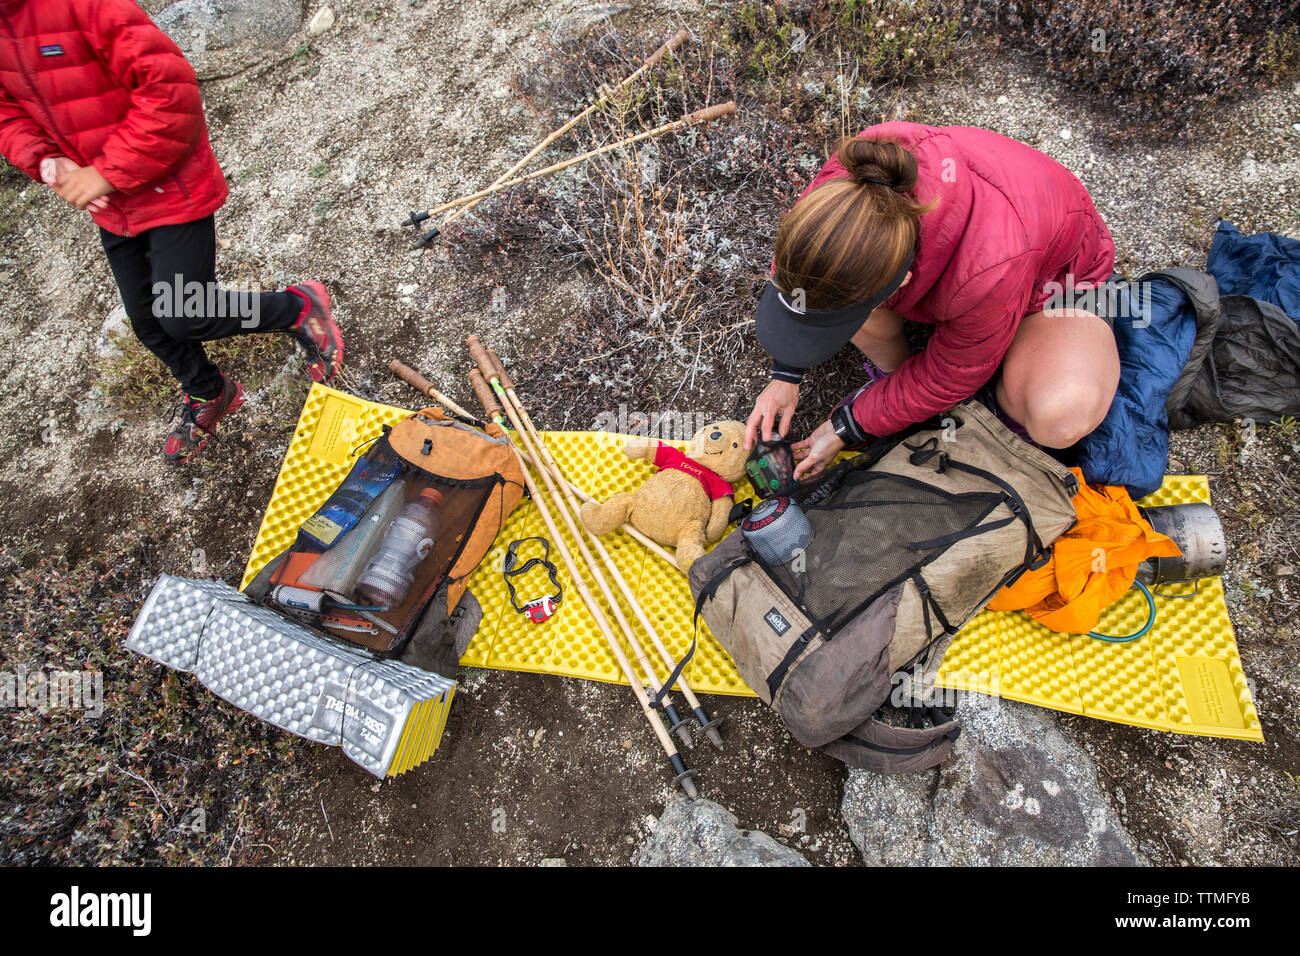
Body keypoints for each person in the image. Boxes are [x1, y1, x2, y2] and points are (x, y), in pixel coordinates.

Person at [0, 0, 343, 464]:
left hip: (169, 182)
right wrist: (44, 159)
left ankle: (299, 306)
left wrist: (105, 173)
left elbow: (171, 90)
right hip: (115, 206)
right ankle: (211, 392)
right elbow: (7, 112)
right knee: (147, 320)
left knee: (184, 312)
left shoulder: (81, 6)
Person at [744, 123, 1120, 480]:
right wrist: (786, 375)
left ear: (901, 283)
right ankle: (902, 382)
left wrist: (847, 425)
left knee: (1056, 418)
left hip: (1056, 279)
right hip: (966, 267)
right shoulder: (847, 186)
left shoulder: (988, 267)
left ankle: (1045, 349)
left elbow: (952, 374)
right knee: (864, 319)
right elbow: (807, 275)